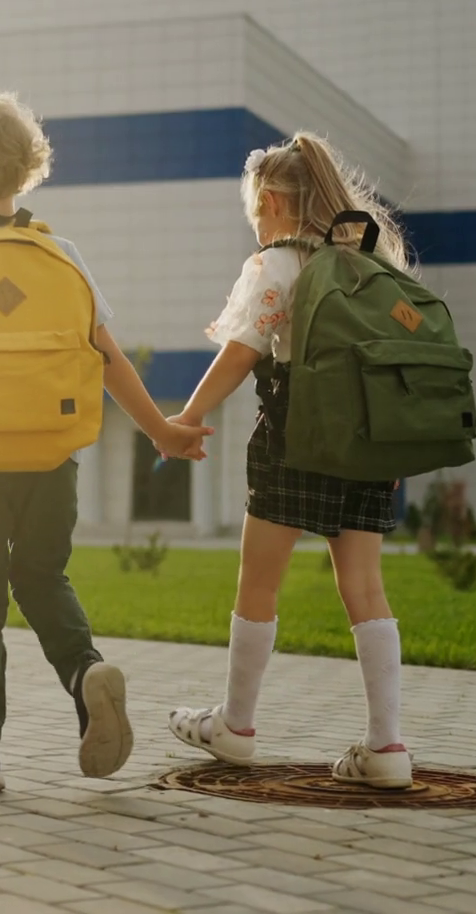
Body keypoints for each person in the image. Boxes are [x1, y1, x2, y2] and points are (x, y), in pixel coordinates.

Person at [0, 86, 209, 794]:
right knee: (41, 576)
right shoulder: (61, 253)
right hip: (52, 454)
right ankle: (86, 673)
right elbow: (107, 358)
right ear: (25, 172)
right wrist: (163, 431)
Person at [164, 132, 415, 789]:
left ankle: (236, 725)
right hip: (367, 442)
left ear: (272, 202)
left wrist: (185, 418)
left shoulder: (278, 263)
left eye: (255, 211)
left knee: (259, 581)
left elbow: (240, 353)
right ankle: (387, 746)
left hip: (294, 437)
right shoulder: (373, 263)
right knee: (365, 588)